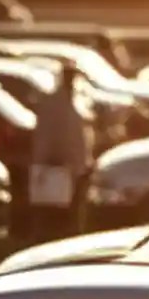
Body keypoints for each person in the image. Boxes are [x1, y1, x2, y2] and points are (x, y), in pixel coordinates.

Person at [30, 61, 95, 238]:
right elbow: (45, 135)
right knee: (55, 213)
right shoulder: (52, 102)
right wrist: (45, 161)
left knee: (76, 211)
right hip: (59, 169)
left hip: (78, 167)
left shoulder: (79, 99)